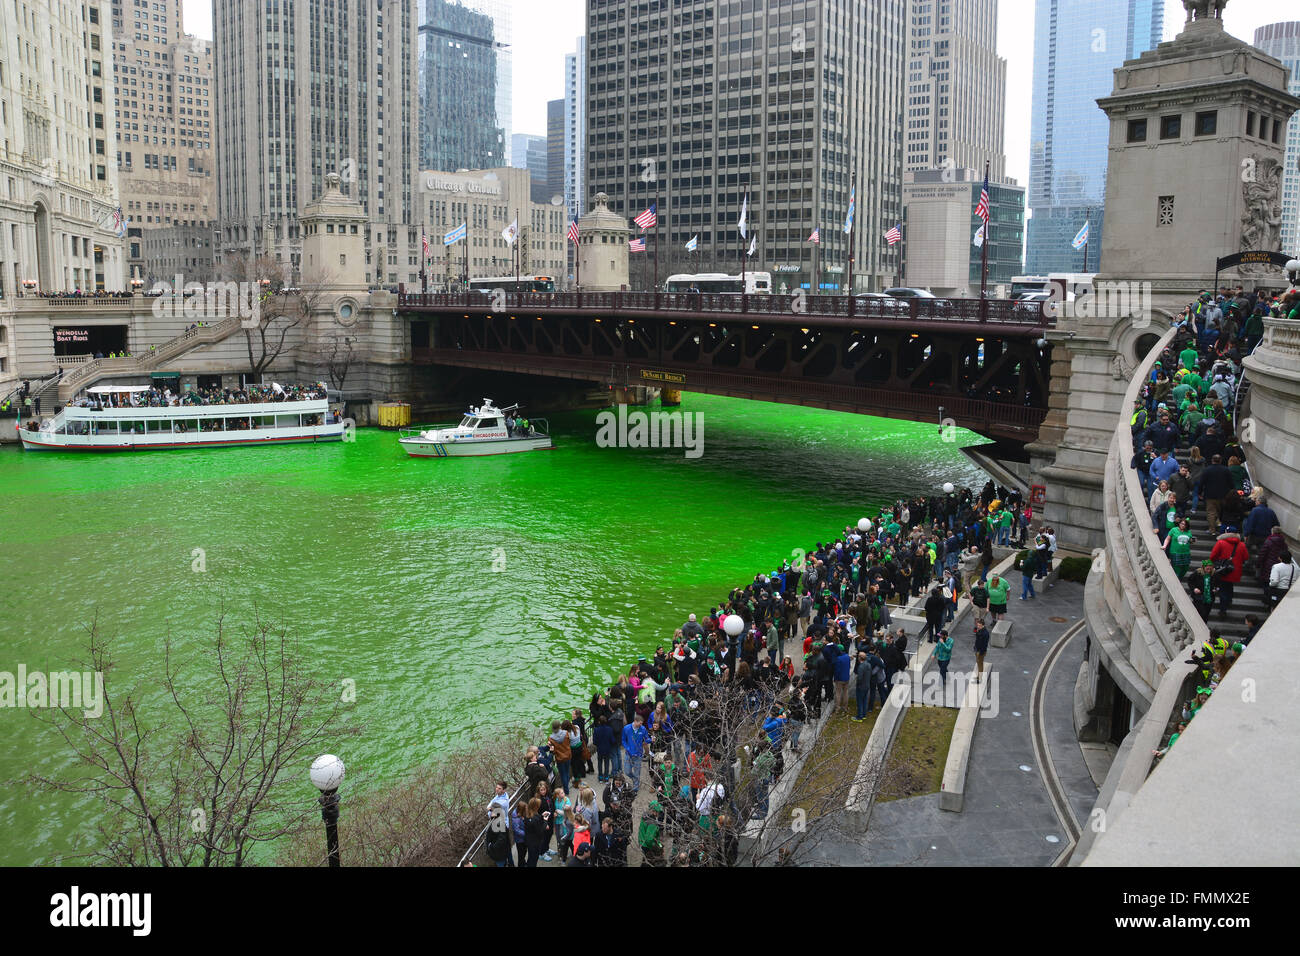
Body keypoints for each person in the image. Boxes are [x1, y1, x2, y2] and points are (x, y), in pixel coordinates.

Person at [622, 713, 649, 791]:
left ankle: (635, 788)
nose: (641, 725)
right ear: (635, 721)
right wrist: (627, 748)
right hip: (628, 754)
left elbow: (646, 738)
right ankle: (634, 779)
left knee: (637, 772)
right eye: (640, 723)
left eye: (642, 724)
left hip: (638, 754)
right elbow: (623, 740)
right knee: (627, 771)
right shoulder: (626, 728)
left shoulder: (643, 729)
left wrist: (651, 740)